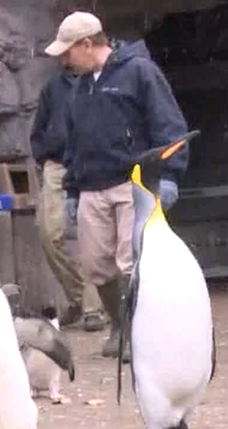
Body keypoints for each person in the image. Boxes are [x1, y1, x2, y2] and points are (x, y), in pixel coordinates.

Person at [44, 11, 189, 359]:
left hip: (132, 183)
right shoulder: (78, 88)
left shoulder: (139, 72)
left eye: (67, 51)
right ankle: (119, 322)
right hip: (92, 186)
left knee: (131, 262)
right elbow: (73, 143)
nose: (63, 59)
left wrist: (169, 176)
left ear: (87, 44)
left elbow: (169, 126)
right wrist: (72, 190)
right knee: (96, 266)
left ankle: (138, 331)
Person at [29, 70, 106, 333]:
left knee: (93, 235)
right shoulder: (53, 86)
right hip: (58, 164)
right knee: (49, 234)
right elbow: (38, 129)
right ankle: (79, 297)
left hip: (94, 163)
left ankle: (93, 308)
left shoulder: (105, 80)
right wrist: (45, 157)